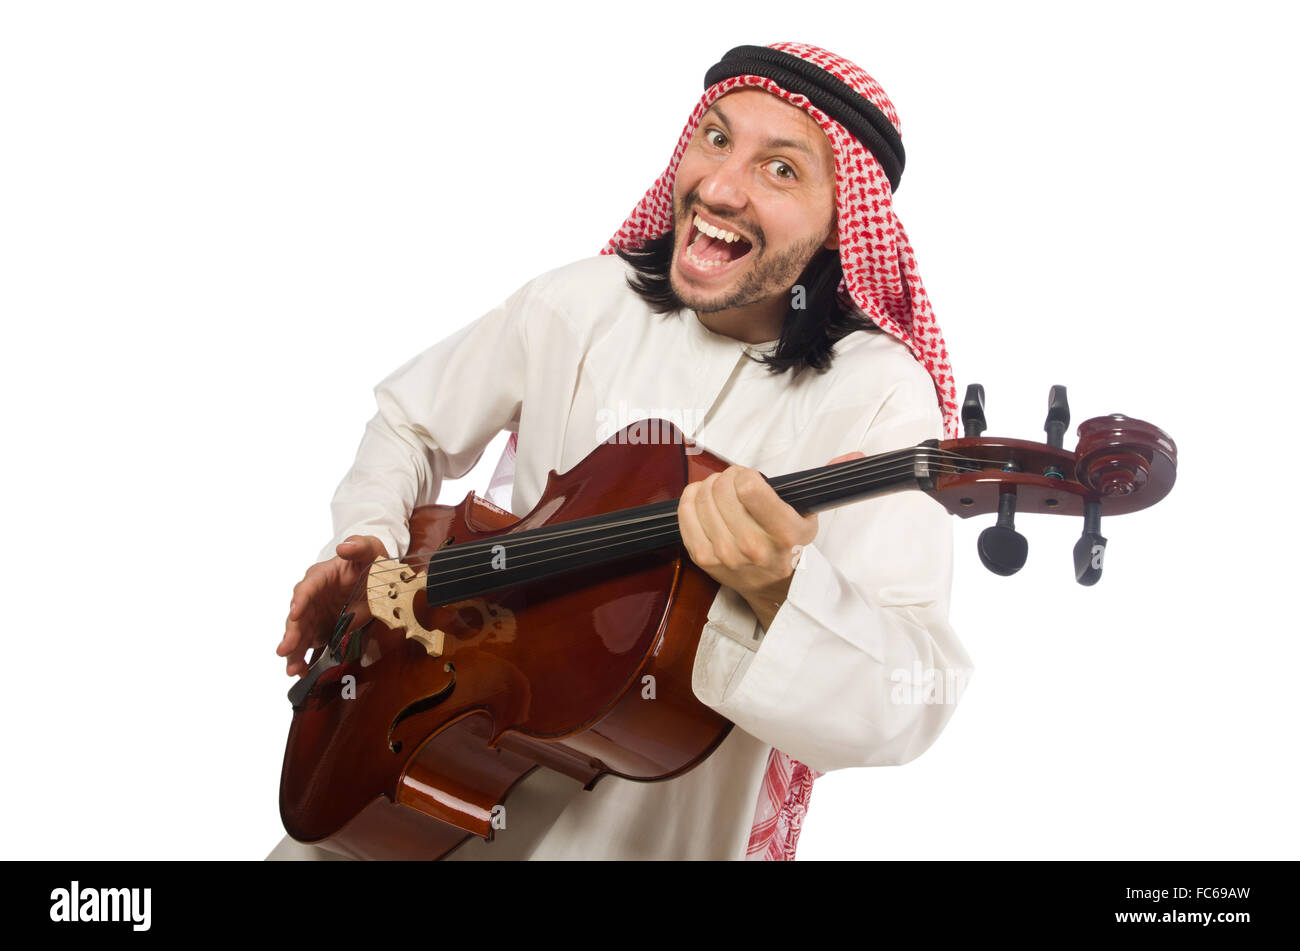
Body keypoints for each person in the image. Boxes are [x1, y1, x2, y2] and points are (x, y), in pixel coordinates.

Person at [268, 41, 974, 861]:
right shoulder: (584, 301)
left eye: (781, 170)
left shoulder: (879, 396)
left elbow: (912, 694)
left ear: (840, 224)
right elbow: (410, 421)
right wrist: (369, 543)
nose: (719, 187)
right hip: (416, 757)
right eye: (715, 139)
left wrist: (781, 589)